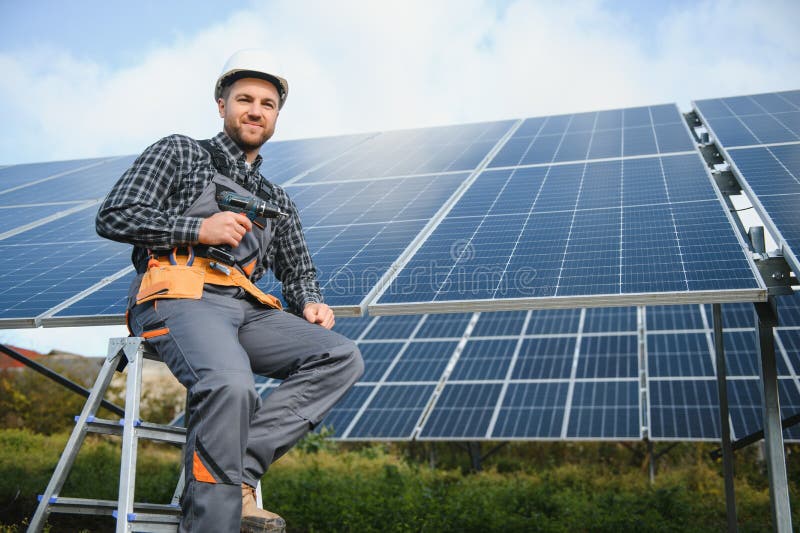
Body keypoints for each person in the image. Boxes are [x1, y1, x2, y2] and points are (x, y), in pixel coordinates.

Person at [96, 49, 364, 533]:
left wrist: (310, 300)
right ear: (222, 105)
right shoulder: (180, 152)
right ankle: (214, 520)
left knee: (340, 356)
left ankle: (238, 474)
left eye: (267, 104)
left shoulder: (277, 200)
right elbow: (115, 214)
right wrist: (198, 229)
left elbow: (299, 270)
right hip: (178, 293)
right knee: (230, 384)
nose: (256, 111)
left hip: (243, 306)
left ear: (276, 115)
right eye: (245, 99)